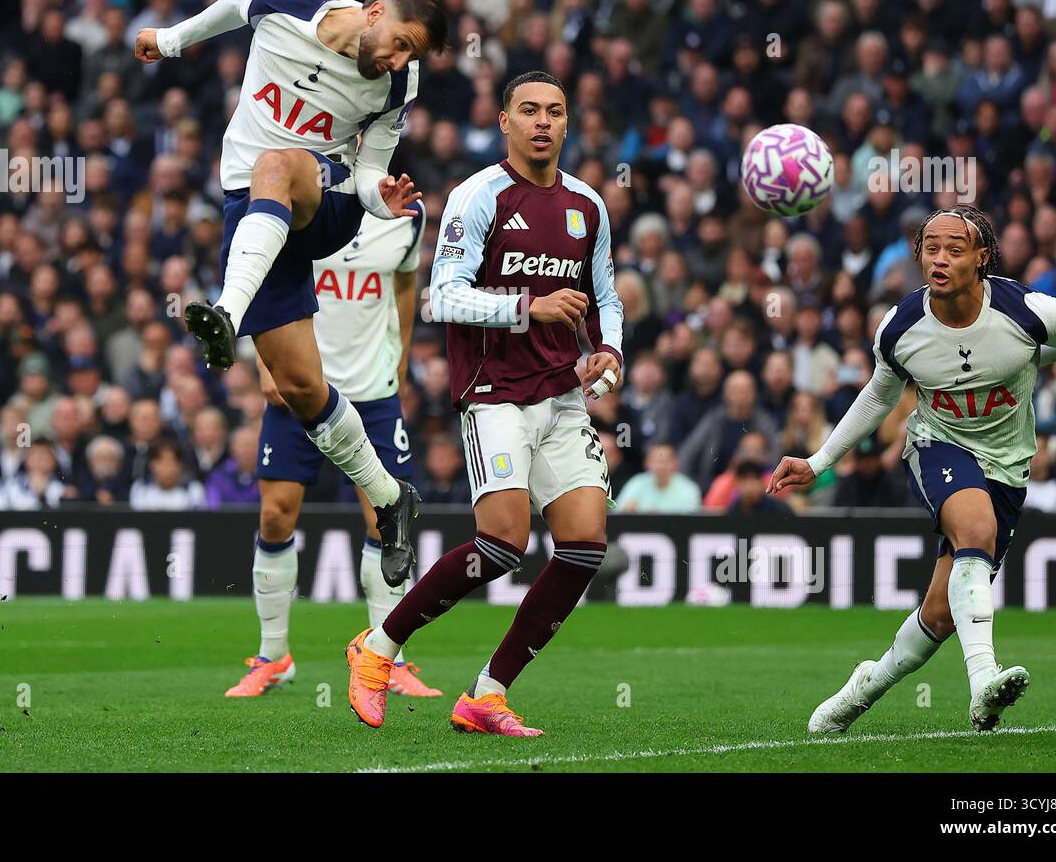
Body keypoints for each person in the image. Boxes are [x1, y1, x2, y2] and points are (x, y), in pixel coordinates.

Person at [135, 0, 448, 582]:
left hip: (325, 203)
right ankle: (391, 499)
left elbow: (369, 172)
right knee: (304, 390)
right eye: (401, 41)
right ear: (374, 9)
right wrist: (169, 40)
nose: (400, 58)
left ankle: (225, 312)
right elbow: (234, 6)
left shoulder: (397, 83)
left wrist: (381, 198)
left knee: (278, 162)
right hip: (253, 208)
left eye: (411, 52)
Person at [345, 71, 623, 736]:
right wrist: (530, 307)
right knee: (502, 544)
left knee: (584, 547)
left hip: (561, 394)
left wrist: (609, 349)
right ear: (504, 120)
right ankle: (377, 647)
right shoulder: (480, 196)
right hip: (495, 393)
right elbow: (443, 295)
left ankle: (487, 693)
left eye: (555, 111)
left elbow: (605, 292)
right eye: (528, 110)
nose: (543, 122)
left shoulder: (587, 204)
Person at [770, 207, 1056, 733]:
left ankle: (862, 690)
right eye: (930, 248)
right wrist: (818, 461)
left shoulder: (1027, 312)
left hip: (1008, 466)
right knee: (976, 528)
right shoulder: (902, 327)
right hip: (937, 446)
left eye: (954, 249)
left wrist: (1029, 360)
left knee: (940, 616)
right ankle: (983, 679)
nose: (939, 259)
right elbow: (879, 396)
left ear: (981, 258)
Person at [224, 188, 442, 699]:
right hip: (301, 387)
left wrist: (403, 358)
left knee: (385, 519)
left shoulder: (407, 213)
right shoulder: (300, 201)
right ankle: (273, 656)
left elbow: (405, 286)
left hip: (373, 392)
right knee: (276, 514)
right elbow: (261, 279)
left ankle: (392, 660)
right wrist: (264, 361)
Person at [614, 442, 702, 512]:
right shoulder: (636, 483)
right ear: (647, 463)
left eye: (666, 461)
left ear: (676, 463)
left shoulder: (689, 489)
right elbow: (618, 512)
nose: (661, 466)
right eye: (656, 461)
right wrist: (626, 511)